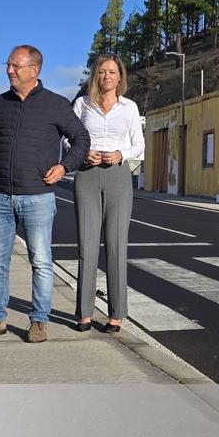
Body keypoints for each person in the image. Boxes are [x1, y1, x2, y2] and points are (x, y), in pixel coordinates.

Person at [0, 45, 90, 343]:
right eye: (8, 64)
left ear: (34, 70)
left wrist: (64, 167)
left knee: (41, 261)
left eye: (16, 66)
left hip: (38, 197)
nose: (9, 70)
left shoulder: (56, 104)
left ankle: (39, 321)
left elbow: (81, 139)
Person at [72, 54, 144, 333]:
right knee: (87, 244)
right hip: (87, 174)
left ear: (120, 77)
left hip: (117, 176)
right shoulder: (81, 104)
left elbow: (139, 144)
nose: (107, 77)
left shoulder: (129, 107)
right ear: (95, 75)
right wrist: (83, 152)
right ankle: (84, 313)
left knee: (116, 245)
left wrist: (120, 154)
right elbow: (68, 138)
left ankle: (117, 315)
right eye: (102, 71)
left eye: (112, 72)